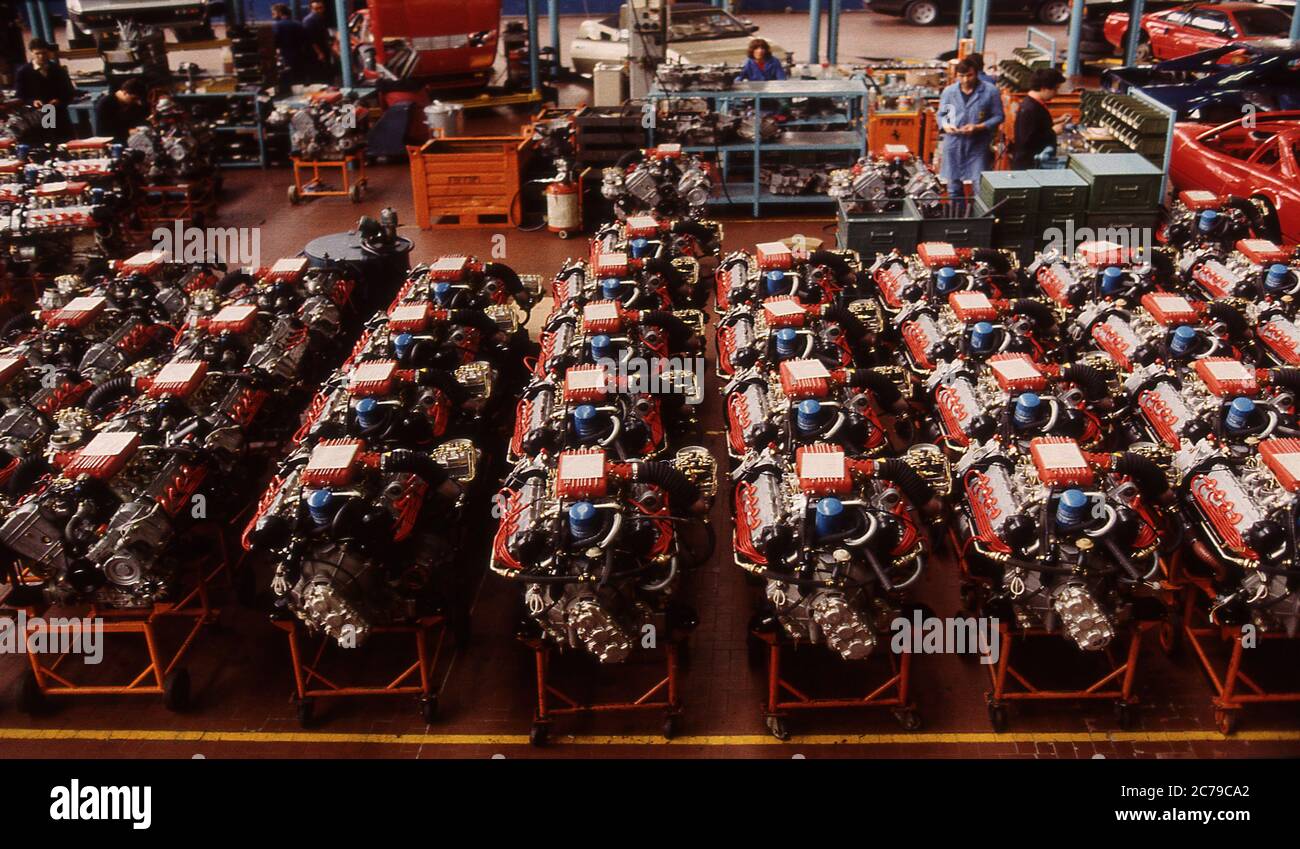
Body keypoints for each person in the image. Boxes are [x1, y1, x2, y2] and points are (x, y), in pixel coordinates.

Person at [937, 58, 1004, 202]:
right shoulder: (949, 92)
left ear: (977, 74)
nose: (965, 80)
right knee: (953, 189)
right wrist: (946, 126)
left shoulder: (990, 91)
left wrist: (978, 127)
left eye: (969, 75)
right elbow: (942, 114)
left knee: (979, 187)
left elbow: (998, 116)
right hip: (954, 143)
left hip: (978, 144)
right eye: (961, 76)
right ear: (956, 76)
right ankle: (957, 220)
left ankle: (980, 221)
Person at [15, 38, 78, 142]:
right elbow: (20, 94)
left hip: (58, 112)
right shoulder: (23, 72)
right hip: (36, 115)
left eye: (44, 53)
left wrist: (59, 99)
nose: (41, 56)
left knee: (63, 142)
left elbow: (69, 91)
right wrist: (33, 101)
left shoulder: (58, 70)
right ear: (31, 53)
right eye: (37, 53)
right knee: (45, 141)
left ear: (48, 52)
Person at [1012, 68, 1071, 170]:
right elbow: (1027, 140)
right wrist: (1053, 132)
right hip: (1029, 165)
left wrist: (1058, 120)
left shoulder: (1033, 104)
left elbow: (1035, 126)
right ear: (1044, 88)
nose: (1056, 93)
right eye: (1055, 89)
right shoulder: (1030, 108)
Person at [271, 3, 311, 91]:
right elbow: (306, 40)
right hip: (300, 56)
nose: (272, 16)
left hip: (286, 56)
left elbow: (275, 42)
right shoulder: (298, 24)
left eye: (273, 13)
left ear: (279, 13)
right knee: (299, 80)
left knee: (288, 80)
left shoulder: (277, 25)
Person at [302, 0, 335, 84]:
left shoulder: (320, 18)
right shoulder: (309, 21)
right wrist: (319, 53)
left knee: (326, 71)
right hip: (315, 51)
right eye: (316, 9)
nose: (319, 11)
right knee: (319, 73)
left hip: (323, 48)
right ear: (311, 9)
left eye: (321, 8)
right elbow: (310, 39)